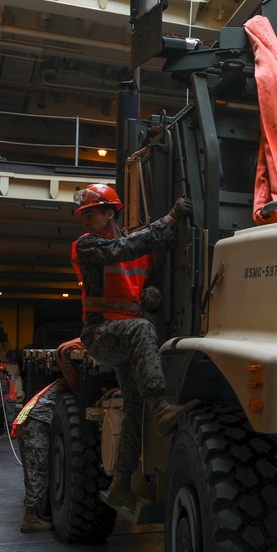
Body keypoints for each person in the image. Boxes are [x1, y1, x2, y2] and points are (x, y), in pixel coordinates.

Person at [70, 183, 200, 512]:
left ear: (109, 213)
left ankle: (121, 484)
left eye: (90, 213)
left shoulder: (139, 247)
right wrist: (170, 217)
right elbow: (121, 251)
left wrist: (150, 294)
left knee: (133, 409)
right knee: (142, 328)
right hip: (99, 333)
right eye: (83, 215)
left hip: (124, 334)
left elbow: (140, 273)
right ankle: (162, 409)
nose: (85, 220)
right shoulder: (86, 246)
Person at [11, 378, 71, 533]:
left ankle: (35, 514)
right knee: (38, 470)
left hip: (29, 423)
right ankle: (30, 519)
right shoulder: (70, 381)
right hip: (35, 425)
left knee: (32, 470)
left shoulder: (58, 383)